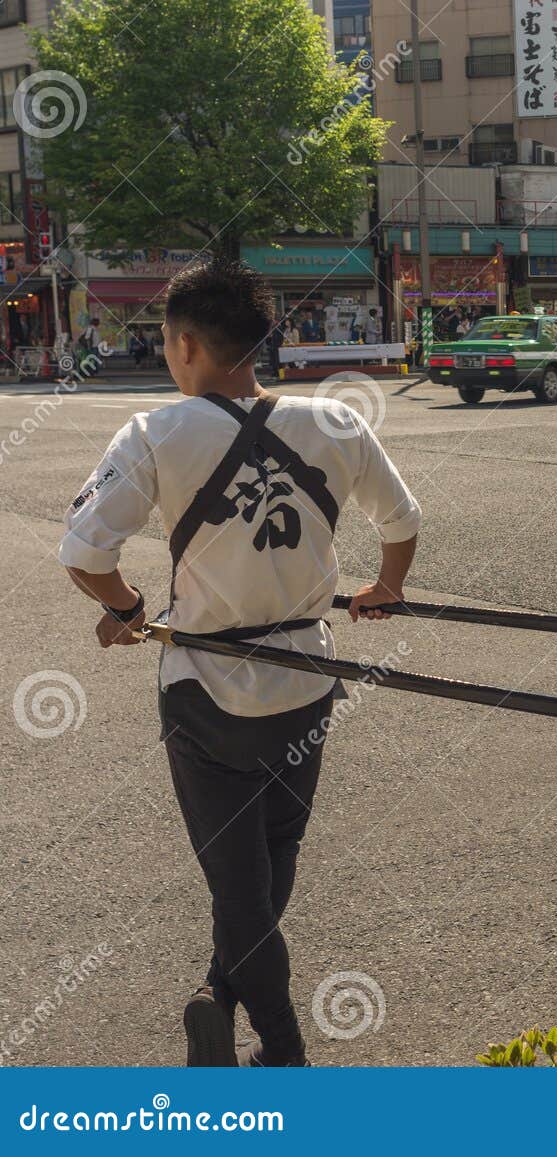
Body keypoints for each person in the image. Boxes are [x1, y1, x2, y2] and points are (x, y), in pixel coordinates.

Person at [58, 260, 421, 1067]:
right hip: (307, 686)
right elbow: (402, 519)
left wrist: (125, 609)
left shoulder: (156, 433)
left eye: (166, 342)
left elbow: (84, 552)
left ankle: (284, 1052)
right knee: (274, 857)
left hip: (206, 696)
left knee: (240, 886)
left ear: (186, 345)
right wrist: (387, 585)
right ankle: (220, 999)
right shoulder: (336, 423)